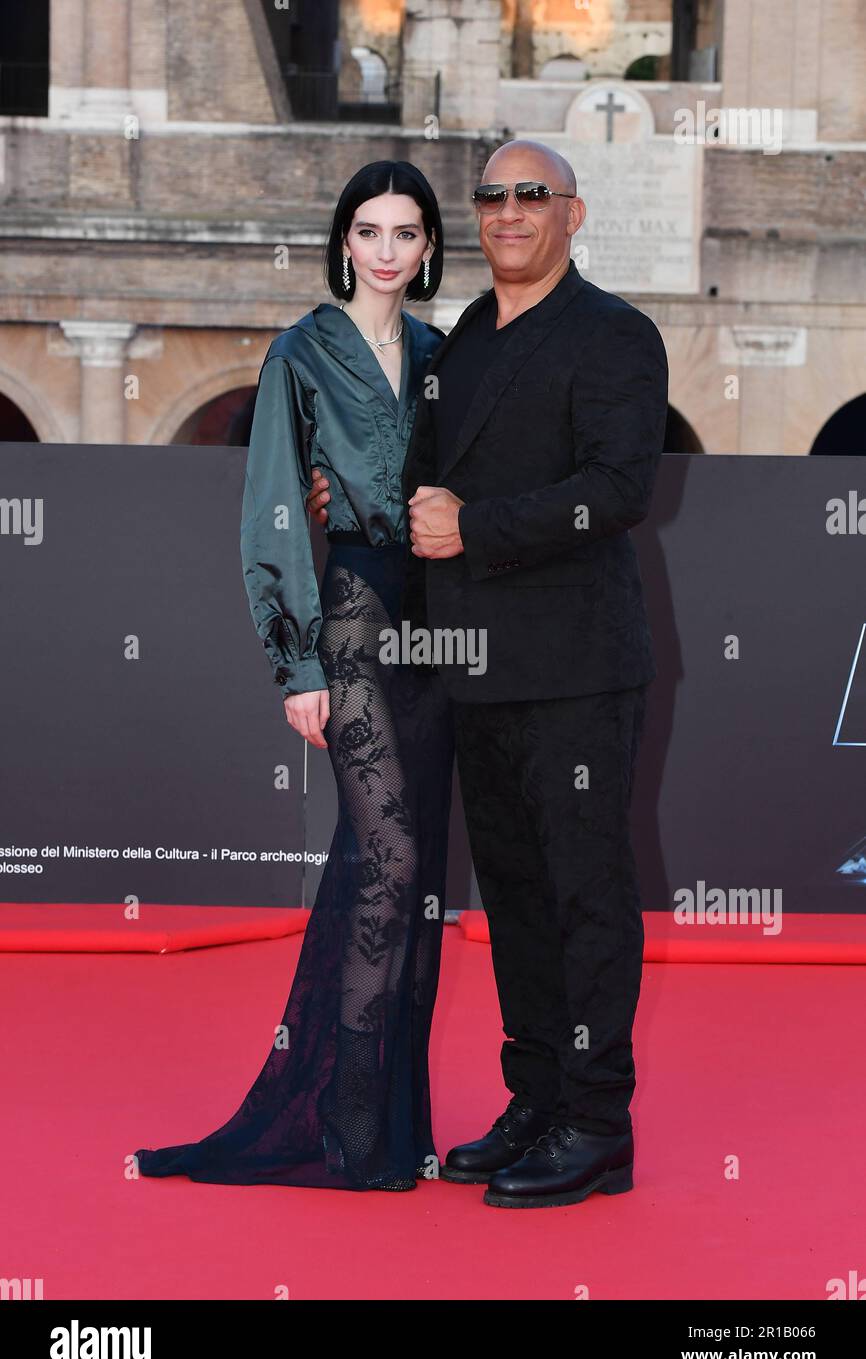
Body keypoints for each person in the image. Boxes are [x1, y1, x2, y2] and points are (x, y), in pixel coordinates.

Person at [308, 138, 669, 1209]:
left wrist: (476, 527)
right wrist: (358, 509)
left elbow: (616, 489)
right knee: (511, 898)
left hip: (576, 670)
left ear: (571, 212)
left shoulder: (614, 335)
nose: (508, 211)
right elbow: (424, 484)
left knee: (584, 895)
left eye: (531, 195)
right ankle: (536, 1097)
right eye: (492, 196)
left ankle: (598, 1123)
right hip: (476, 671)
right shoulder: (463, 333)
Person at [133, 161, 455, 1192]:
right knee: (390, 860)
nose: (388, 250)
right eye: (370, 230)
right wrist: (296, 662)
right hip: (354, 613)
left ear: (428, 247)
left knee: (421, 879)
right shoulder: (299, 353)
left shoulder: (444, 355)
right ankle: (349, 1126)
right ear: (343, 242)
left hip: (440, 631)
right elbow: (274, 506)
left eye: (406, 231)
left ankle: (397, 1124)